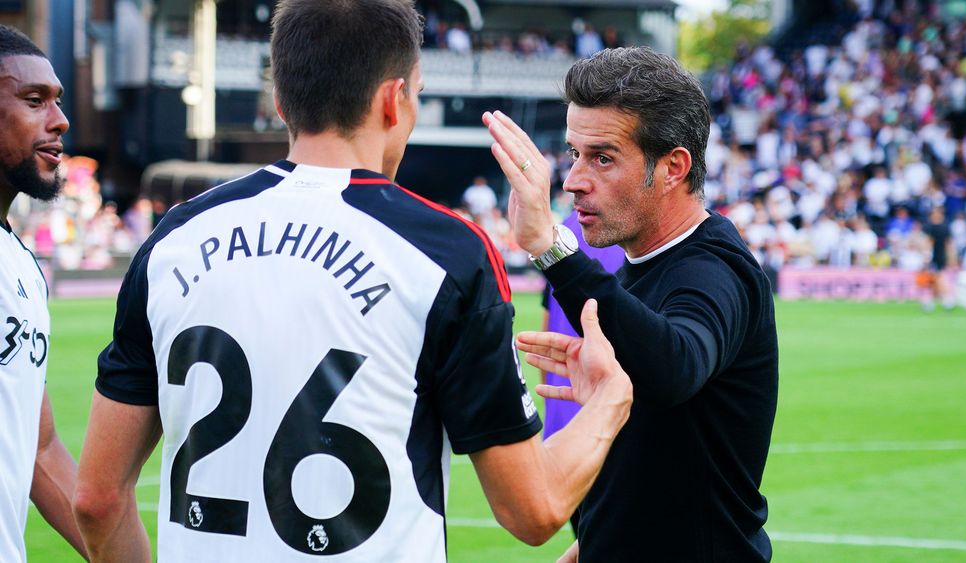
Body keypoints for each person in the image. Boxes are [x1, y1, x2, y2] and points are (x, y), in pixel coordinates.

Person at [71, 2, 633, 562]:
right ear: (395, 99)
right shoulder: (443, 251)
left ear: (280, 100)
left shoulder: (177, 235)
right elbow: (532, 510)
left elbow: (97, 500)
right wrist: (613, 395)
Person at [484, 46, 779, 561]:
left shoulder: (714, 270)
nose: (574, 179)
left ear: (672, 168)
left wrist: (550, 247)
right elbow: (660, 454)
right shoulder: (641, 266)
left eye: (602, 157)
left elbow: (672, 367)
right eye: (574, 154)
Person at [0, 24, 88, 562]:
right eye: (34, 101)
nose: (60, 121)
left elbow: (41, 448)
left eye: (57, 101)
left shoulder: (21, 262)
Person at [540, 212, 624, 439]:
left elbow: (547, 317)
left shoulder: (563, 228)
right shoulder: (640, 233)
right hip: (610, 402)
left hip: (563, 389)